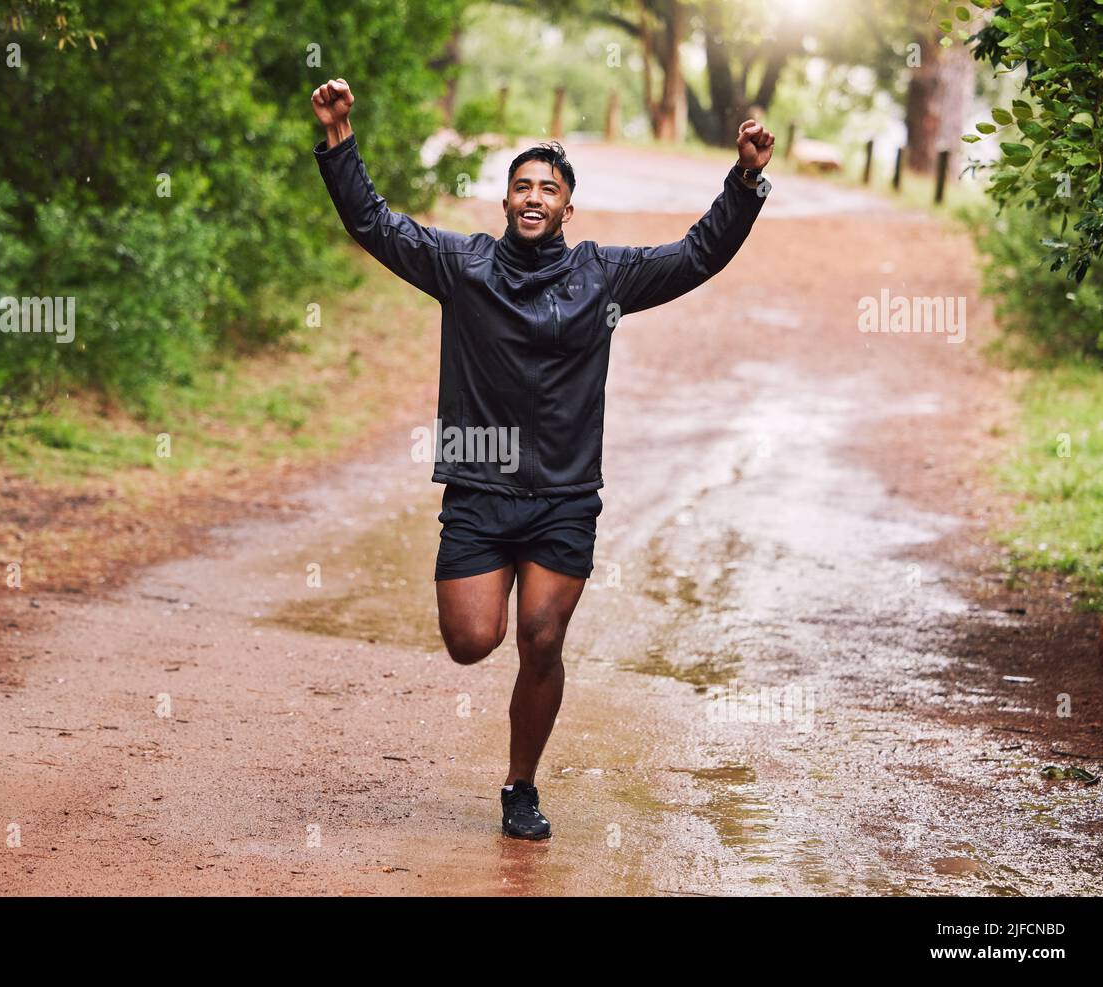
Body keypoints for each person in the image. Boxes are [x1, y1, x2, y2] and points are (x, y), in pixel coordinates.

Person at [311, 77, 773, 840]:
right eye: (521, 185)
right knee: (471, 641)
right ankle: (510, 728)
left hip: (563, 494)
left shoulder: (605, 278)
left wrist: (745, 179)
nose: (534, 197)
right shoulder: (461, 267)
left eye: (548, 187)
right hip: (477, 486)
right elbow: (375, 223)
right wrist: (338, 137)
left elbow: (696, 255)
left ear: (566, 205)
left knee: (543, 638)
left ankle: (521, 785)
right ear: (504, 204)